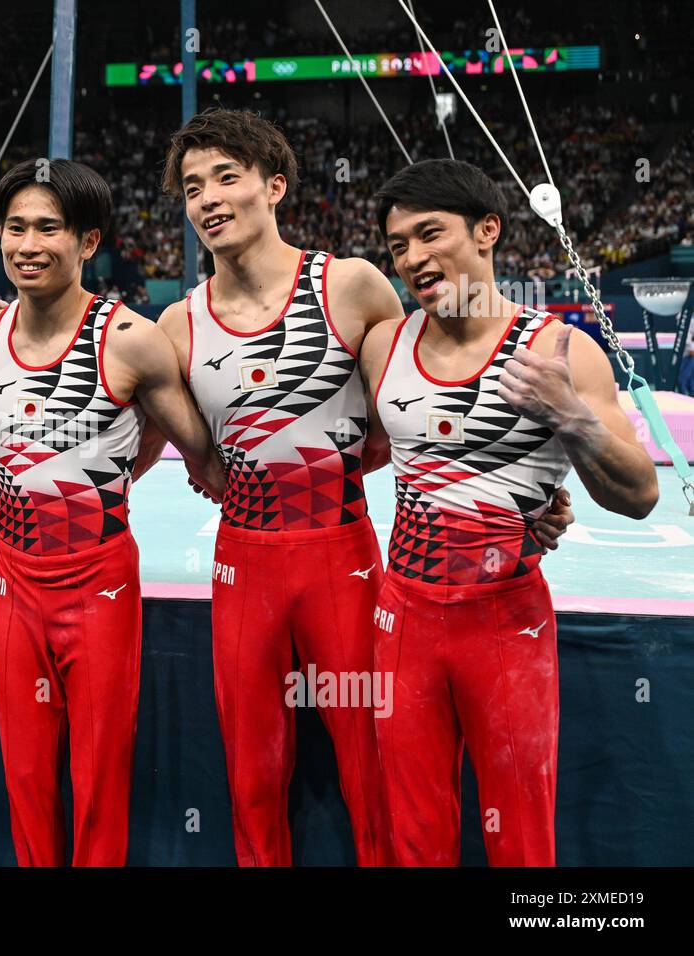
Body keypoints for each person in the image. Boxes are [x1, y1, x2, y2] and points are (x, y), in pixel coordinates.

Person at [148, 108, 573, 867]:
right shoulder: (178, 325)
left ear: (272, 186)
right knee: (251, 771)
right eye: (191, 187)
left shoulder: (351, 286)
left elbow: (420, 402)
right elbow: (157, 447)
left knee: (368, 764)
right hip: (242, 565)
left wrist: (523, 494)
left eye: (226, 177)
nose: (207, 198)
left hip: (342, 559)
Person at [360, 158, 659, 865]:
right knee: (413, 831)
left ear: (487, 230)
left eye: (429, 233)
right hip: (402, 618)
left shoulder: (559, 350)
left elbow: (642, 496)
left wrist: (575, 423)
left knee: (519, 836)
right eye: (398, 245)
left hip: (504, 619)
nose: (412, 258)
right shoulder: (383, 346)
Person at [0, 158, 224, 866]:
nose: (27, 245)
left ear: (88, 243)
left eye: (48, 229)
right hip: (15, 586)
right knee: (26, 774)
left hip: (100, 585)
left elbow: (204, 453)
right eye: (15, 228)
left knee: (99, 774)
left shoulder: (130, 338)